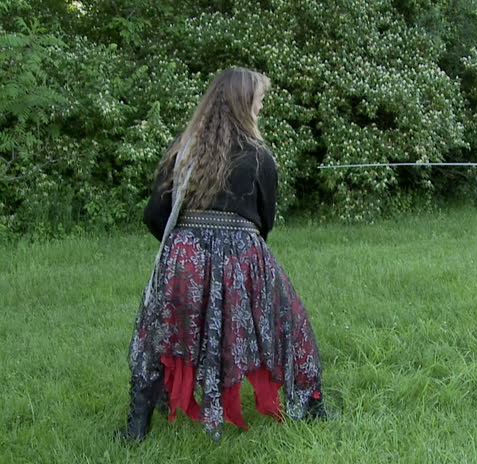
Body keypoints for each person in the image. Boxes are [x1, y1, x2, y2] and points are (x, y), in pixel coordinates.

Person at [121, 67, 325, 442]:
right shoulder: (260, 157)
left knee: (159, 337)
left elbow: (154, 216)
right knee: (290, 325)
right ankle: (311, 410)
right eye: (259, 100)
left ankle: (136, 427)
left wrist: (184, 251)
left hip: (185, 259)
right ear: (243, 103)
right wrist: (238, 252)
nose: (261, 107)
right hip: (241, 257)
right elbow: (265, 221)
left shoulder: (183, 152)